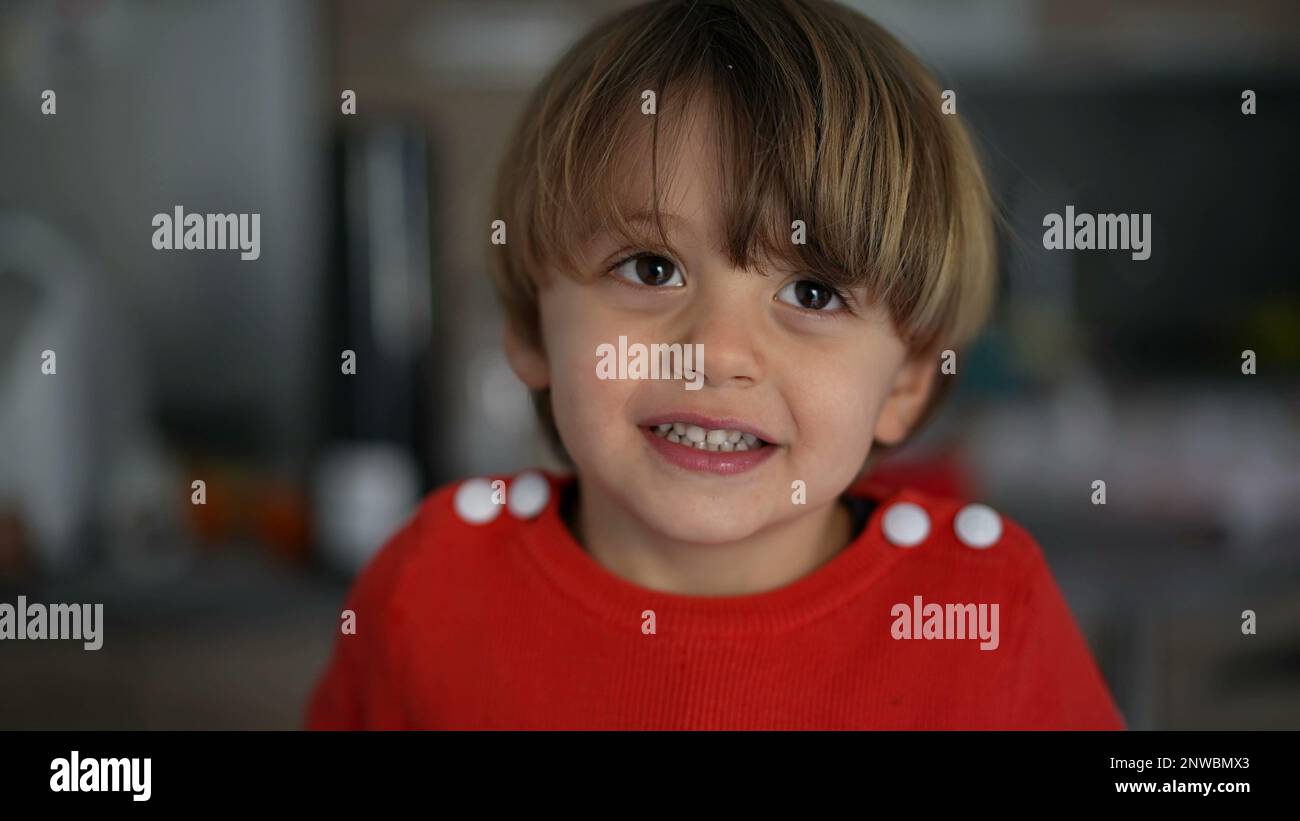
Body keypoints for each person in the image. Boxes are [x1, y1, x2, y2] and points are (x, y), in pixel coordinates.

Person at [306, 0, 1124, 730]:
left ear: (907, 381)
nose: (718, 353)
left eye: (812, 291)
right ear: (528, 323)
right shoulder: (430, 585)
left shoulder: (985, 610)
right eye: (650, 269)